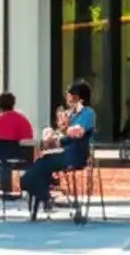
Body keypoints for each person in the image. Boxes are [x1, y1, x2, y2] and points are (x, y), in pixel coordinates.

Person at [21, 80, 96, 220]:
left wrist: (61, 136)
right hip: (64, 152)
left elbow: (76, 134)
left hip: (76, 155)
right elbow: (63, 132)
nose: (67, 97)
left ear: (78, 96)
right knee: (41, 163)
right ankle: (41, 193)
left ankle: (39, 193)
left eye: (70, 94)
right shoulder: (71, 113)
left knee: (42, 164)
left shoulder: (87, 113)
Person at [0, 93, 34, 195]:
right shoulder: (22, 119)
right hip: (19, 155)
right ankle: (24, 186)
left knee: (1, 159)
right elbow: (28, 138)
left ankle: (3, 187)